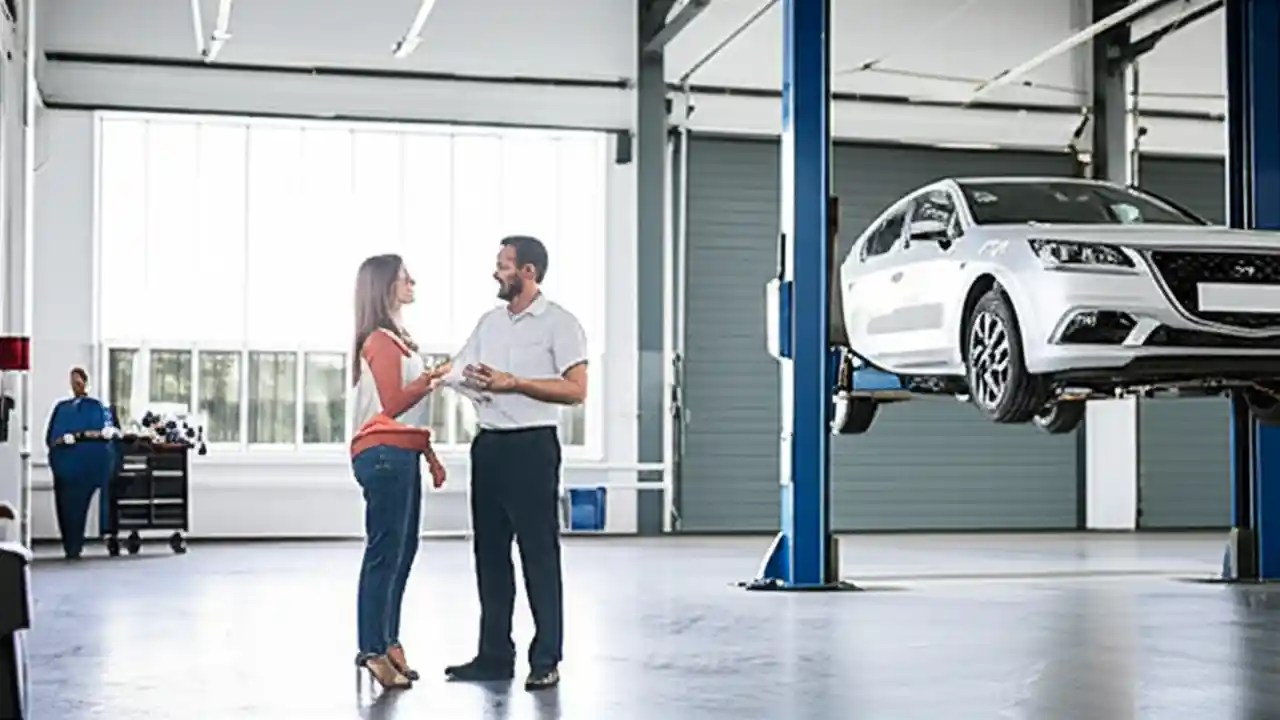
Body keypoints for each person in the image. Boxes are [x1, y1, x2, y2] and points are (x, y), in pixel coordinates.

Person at [442, 235, 588, 692]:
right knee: (489, 554)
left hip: (532, 448)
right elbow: (462, 366)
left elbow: (576, 391)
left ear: (528, 272)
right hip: (489, 447)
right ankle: (493, 657)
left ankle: (546, 659)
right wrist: (456, 378)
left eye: (504, 265)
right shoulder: (489, 323)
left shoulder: (559, 324)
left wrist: (515, 383)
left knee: (538, 556)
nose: (496, 272)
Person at [349, 253, 448, 690]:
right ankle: (371, 649)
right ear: (386, 285)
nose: (412, 283)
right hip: (384, 453)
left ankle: (388, 640)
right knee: (385, 554)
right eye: (405, 277)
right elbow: (392, 403)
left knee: (402, 554)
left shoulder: (397, 338)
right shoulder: (379, 340)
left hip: (400, 453)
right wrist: (433, 379)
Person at [44, 367, 116, 560]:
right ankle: (71, 544)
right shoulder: (62, 408)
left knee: (83, 504)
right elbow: (52, 437)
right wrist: (62, 441)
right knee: (67, 507)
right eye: (73, 381)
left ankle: (97, 536)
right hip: (66, 466)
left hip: (88, 462)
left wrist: (83, 437)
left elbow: (104, 431)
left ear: (85, 382)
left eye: (79, 380)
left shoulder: (96, 406)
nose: (76, 384)